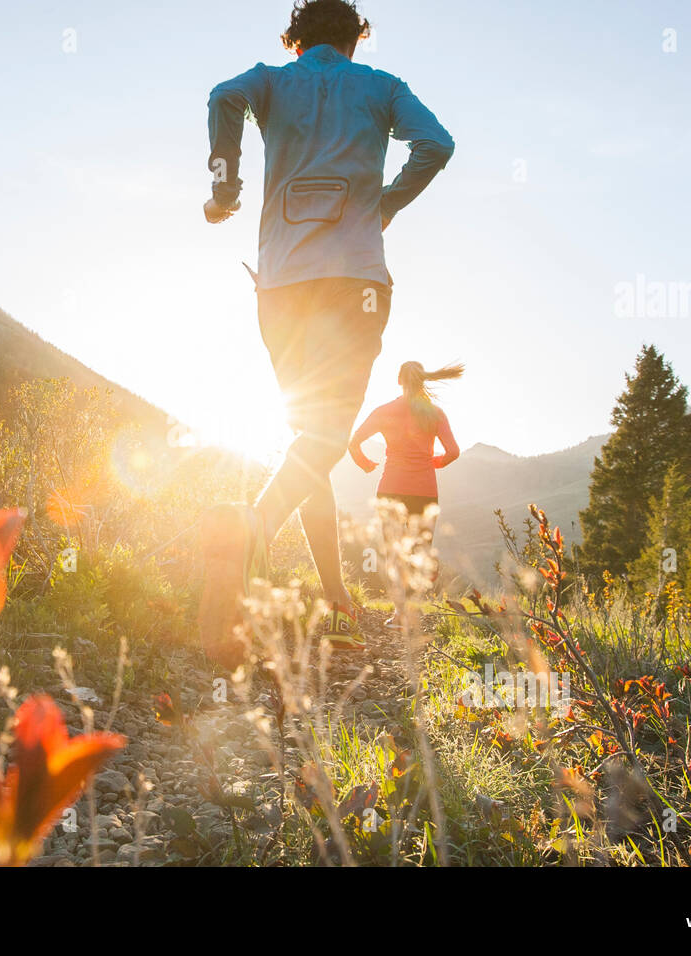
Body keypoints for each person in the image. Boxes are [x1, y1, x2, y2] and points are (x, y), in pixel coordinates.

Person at [197, 0, 455, 664]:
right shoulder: (380, 89)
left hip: (280, 288)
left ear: (296, 39)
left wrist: (225, 189)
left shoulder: (272, 82)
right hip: (355, 285)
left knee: (311, 442)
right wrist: (384, 206)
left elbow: (223, 98)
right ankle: (251, 533)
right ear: (354, 41)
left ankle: (335, 599)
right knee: (319, 439)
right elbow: (438, 145)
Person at [348, 361, 462, 626]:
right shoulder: (435, 413)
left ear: (399, 379)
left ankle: (400, 613)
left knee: (395, 553)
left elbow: (354, 442)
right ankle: (413, 608)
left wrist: (365, 464)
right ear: (423, 380)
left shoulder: (384, 411)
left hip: (390, 490)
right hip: (425, 491)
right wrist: (434, 462)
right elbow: (453, 452)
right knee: (421, 552)